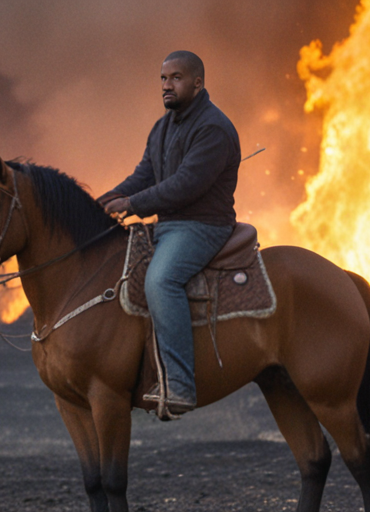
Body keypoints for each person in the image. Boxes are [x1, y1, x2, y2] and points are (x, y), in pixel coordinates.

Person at [98, 50, 241, 415]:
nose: (166, 85)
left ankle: (179, 384)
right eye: (163, 78)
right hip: (168, 224)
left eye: (175, 78)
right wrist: (107, 198)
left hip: (202, 226)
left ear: (197, 82)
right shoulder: (163, 126)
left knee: (160, 281)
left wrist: (132, 204)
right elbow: (144, 174)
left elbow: (184, 186)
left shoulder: (213, 128)